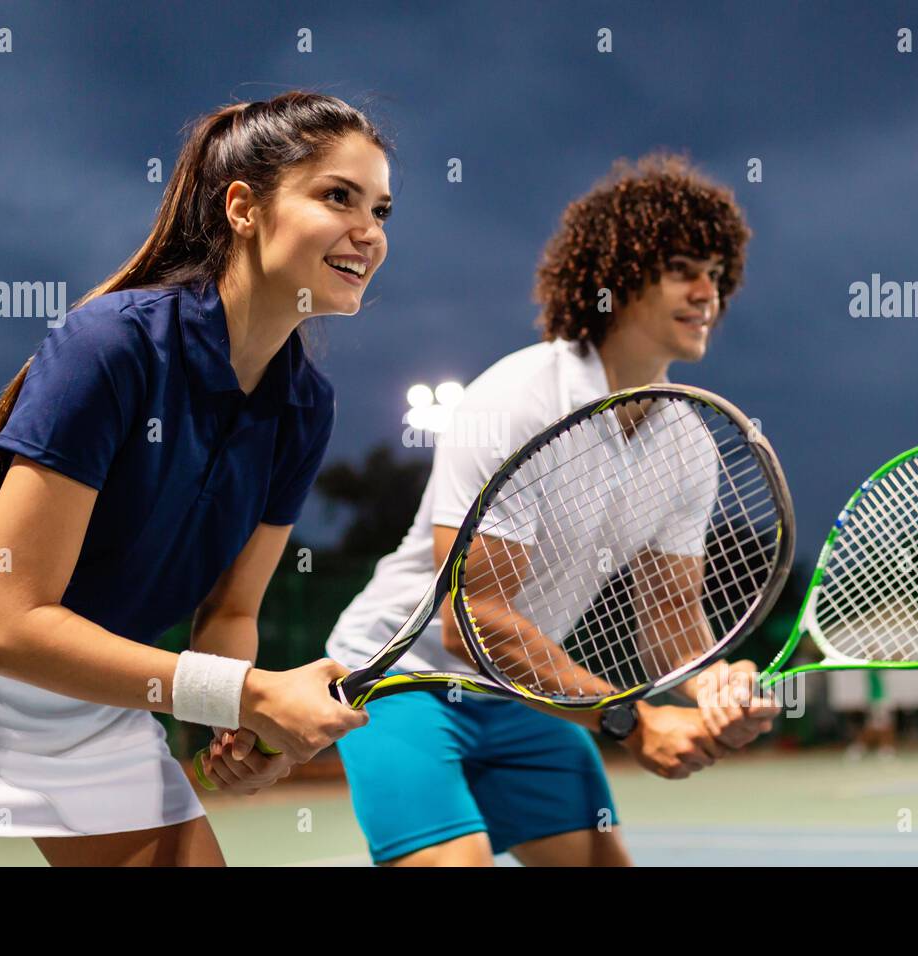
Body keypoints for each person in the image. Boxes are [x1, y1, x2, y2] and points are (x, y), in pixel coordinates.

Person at [0, 92, 393, 866]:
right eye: (338, 197)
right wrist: (250, 694)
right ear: (243, 209)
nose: (370, 232)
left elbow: (229, 612)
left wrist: (243, 730)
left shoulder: (305, 406)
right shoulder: (111, 346)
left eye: (381, 210)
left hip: (96, 711)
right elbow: (3, 626)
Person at [326, 152, 781, 866]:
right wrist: (631, 720)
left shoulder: (688, 441)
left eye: (718, 276)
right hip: (399, 678)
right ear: (621, 275)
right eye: (684, 269)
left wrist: (713, 679)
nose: (707, 293)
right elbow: (472, 623)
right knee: (457, 861)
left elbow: (671, 623)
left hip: (518, 696)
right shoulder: (516, 402)